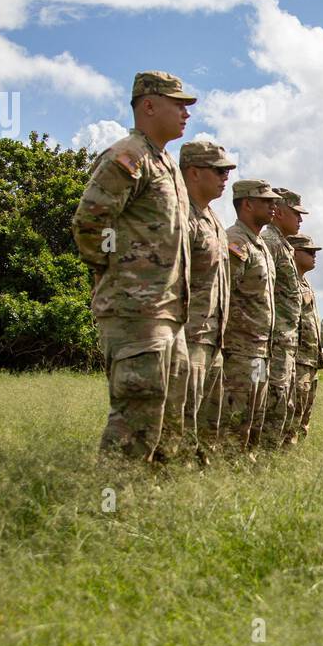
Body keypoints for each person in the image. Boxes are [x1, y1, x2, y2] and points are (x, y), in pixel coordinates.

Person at [72, 70, 194, 464]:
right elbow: (90, 224)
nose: (186, 113)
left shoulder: (167, 165)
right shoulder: (128, 157)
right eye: (179, 104)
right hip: (135, 313)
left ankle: (151, 504)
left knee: (166, 419)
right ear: (149, 105)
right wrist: (115, 273)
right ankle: (113, 505)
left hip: (168, 314)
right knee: (135, 417)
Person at [179, 140, 235, 465]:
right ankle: (171, 483)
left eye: (227, 171)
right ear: (194, 171)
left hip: (213, 341)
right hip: (187, 338)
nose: (224, 177)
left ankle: (198, 481)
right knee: (180, 423)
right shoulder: (179, 215)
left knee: (206, 426)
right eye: (219, 170)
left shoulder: (212, 218)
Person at [222, 179, 281, 458]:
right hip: (239, 351)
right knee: (235, 422)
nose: (273, 206)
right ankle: (223, 477)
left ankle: (246, 472)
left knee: (253, 420)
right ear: (247, 204)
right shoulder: (236, 240)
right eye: (266, 201)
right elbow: (222, 291)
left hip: (260, 353)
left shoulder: (260, 246)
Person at [261, 187, 306, 448]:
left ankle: (273, 455)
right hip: (273, 342)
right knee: (271, 401)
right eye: (296, 213)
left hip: (285, 343)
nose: (300, 220)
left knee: (283, 402)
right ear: (278, 212)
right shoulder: (271, 243)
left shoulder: (284, 246)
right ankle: (262, 457)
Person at [288, 233, 323, 442]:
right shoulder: (289, 282)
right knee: (294, 409)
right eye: (309, 252)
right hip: (297, 359)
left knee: (305, 414)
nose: (314, 256)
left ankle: (296, 452)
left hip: (310, 360)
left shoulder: (306, 282)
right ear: (293, 252)